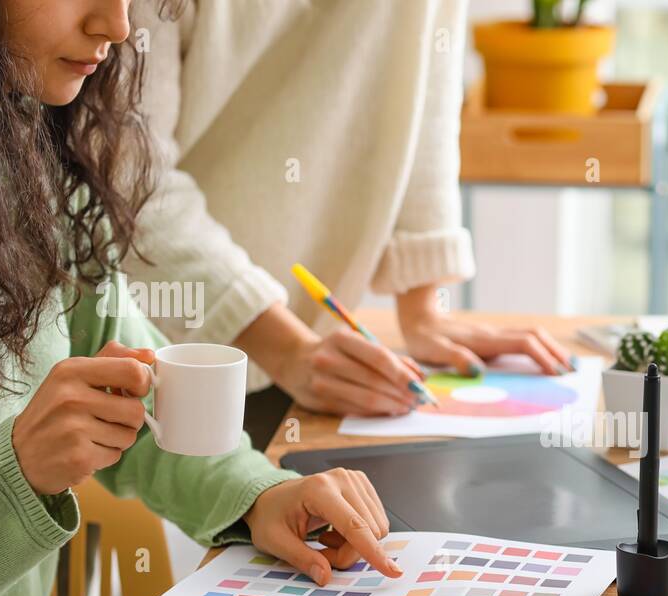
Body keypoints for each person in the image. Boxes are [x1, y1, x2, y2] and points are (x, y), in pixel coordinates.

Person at [0, 0, 401, 596]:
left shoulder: (34, 166)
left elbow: (143, 394)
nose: (116, 25)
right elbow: (29, 457)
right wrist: (15, 471)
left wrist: (263, 495)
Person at [128, 0, 573, 444]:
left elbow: (426, 81)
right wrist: (287, 350)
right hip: (171, 343)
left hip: (311, 350)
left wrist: (423, 308)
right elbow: (132, 186)